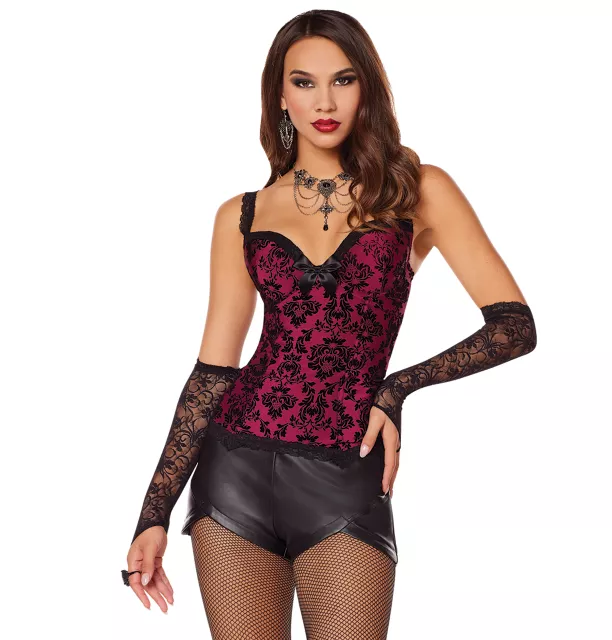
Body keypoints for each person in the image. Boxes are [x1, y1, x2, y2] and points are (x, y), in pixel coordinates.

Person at [123, 9, 537, 639]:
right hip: (233, 471)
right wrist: (153, 514)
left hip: (346, 472)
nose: (324, 101)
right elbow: (212, 374)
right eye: (304, 82)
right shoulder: (242, 215)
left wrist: (396, 388)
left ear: (366, 87)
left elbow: (513, 326)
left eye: (343, 80)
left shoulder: (418, 189)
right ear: (279, 95)